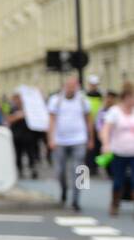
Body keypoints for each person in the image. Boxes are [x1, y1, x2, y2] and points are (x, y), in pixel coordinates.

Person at [47, 74, 94, 211]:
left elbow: (89, 120)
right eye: (69, 86)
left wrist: (90, 139)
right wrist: (51, 139)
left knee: (79, 169)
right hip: (60, 140)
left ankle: (76, 199)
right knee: (59, 170)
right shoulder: (56, 100)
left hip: (79, 139)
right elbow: (51, 121)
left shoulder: (83, 100)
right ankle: (64, 189)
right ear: (64, 86)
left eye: (74, 86)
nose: (71, 89)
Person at [100, 82, 134, 216]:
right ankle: (115, 203)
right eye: (132, 97)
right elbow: (105, 129)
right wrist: (106, 144)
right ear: (125, 97)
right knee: (118, 181)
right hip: (118, 152)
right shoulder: (114, 112)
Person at [6, 92, 39, 179]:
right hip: (17, 136)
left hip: (28, 135)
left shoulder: (29, 108)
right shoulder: (12, 109)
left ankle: (33, 169)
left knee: (31, 153)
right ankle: (19, 170)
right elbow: (8, 120)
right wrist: (17, 116)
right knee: (18, 154)